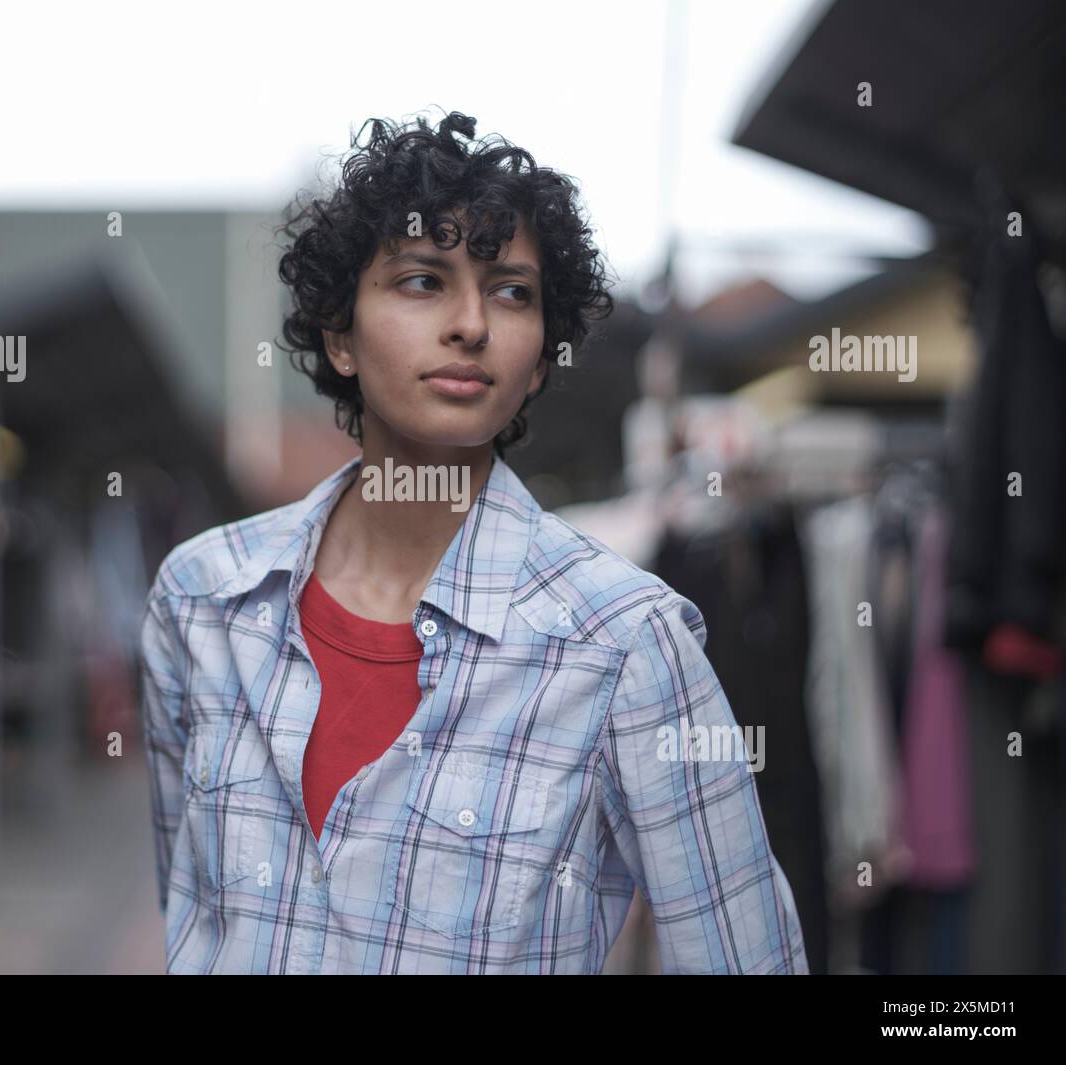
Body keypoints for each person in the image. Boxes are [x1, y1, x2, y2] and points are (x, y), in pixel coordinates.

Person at [139, 109, 807, 974]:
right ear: (339, 335)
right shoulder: (201, 601)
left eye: (511, 290)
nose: (470, 323)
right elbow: (188, 913)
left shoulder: (626, 643)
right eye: (422, 281)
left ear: (537, 359)